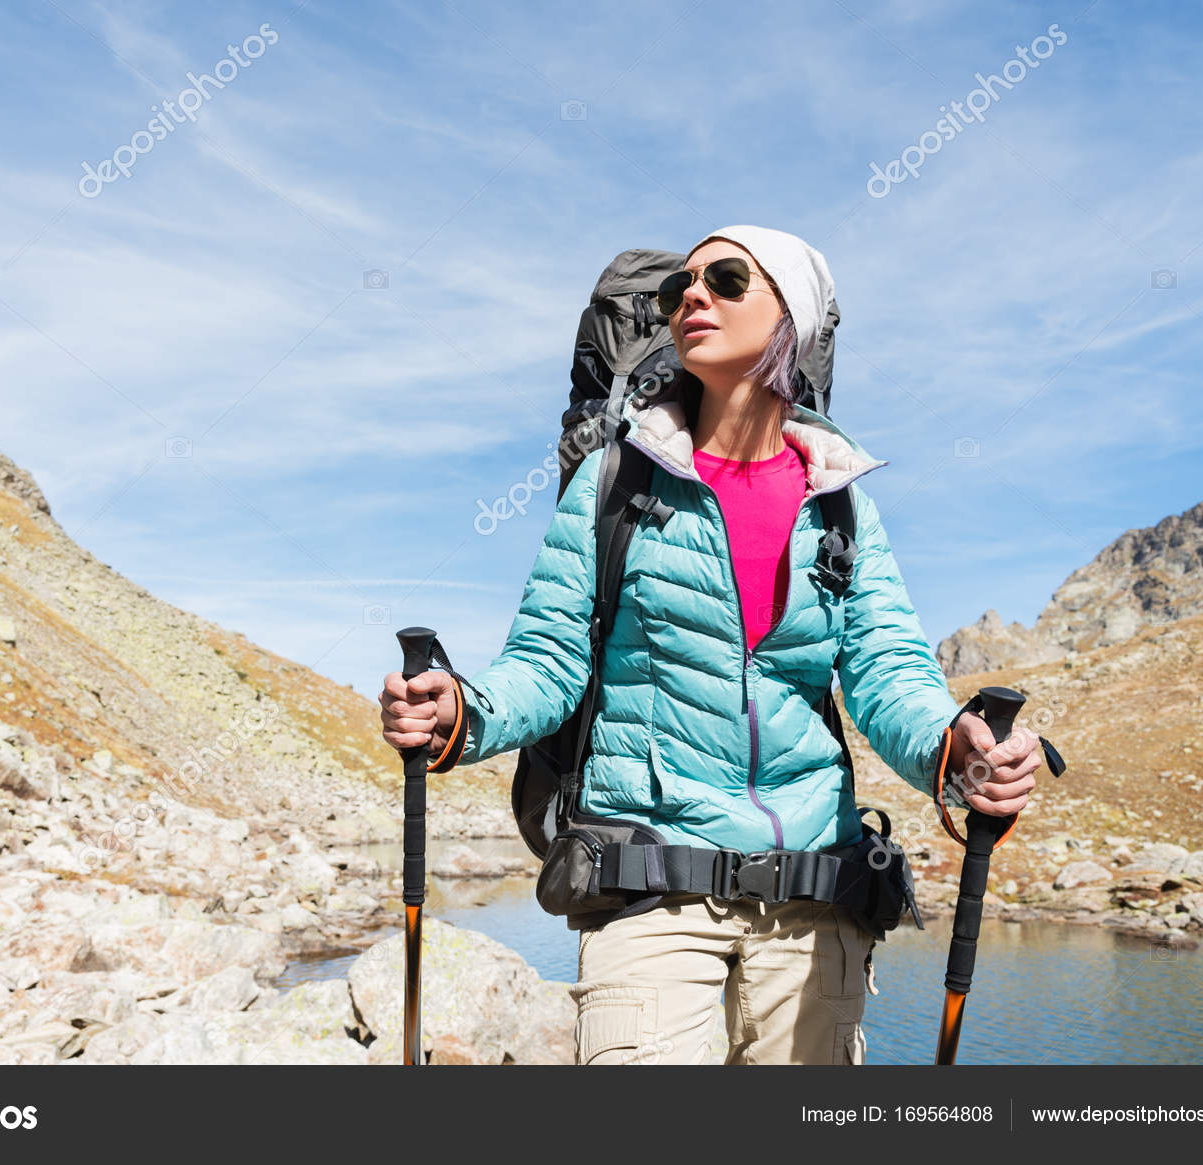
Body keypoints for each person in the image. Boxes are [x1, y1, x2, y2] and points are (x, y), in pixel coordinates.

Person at [379, 224, 1043, 1065]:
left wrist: (957, 749)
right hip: (649, 893)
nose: (691, 296)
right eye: (679, 287)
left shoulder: (839, 504)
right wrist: (460, 714)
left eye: (727, 280)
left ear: (790, 322)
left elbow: (887, 673)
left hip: (816, 904)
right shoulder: (614, 482)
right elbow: (549, 658)